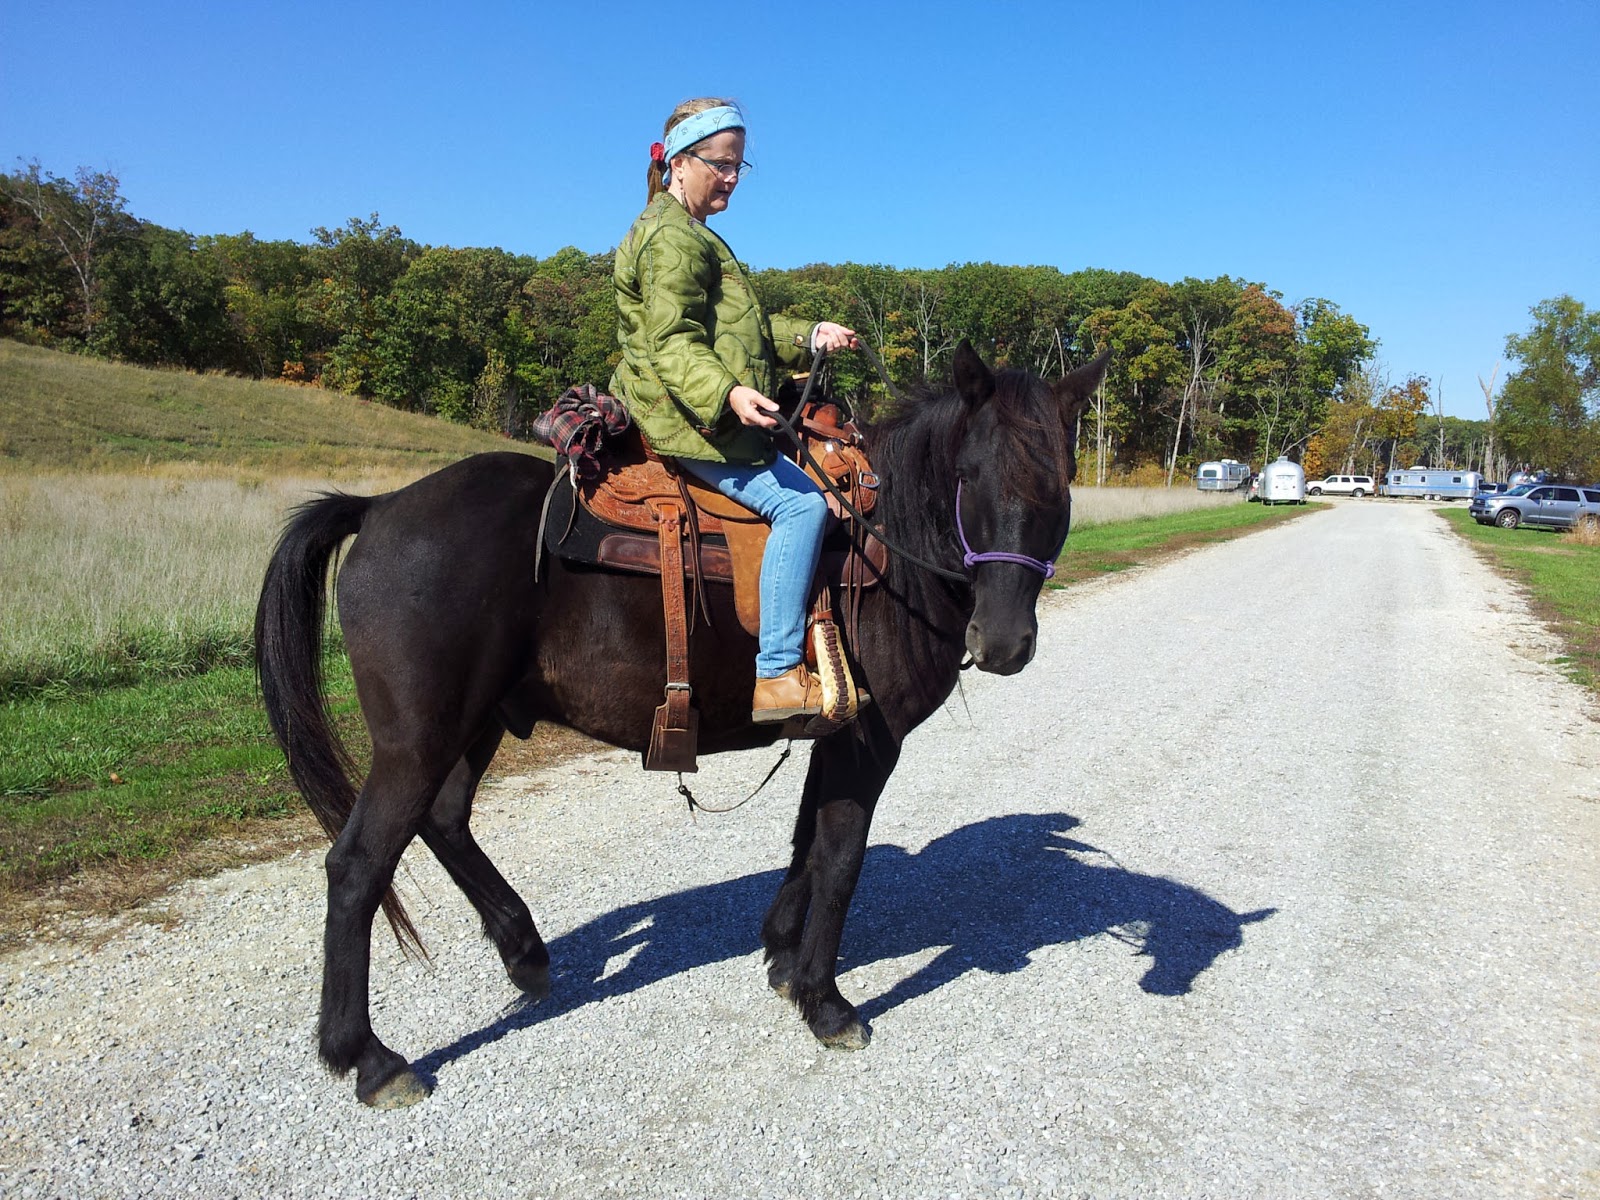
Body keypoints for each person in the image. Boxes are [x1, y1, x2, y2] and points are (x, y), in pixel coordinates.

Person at [610, 97, 858, 723]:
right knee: (802, 504)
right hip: (687, 420)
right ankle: (776, 672)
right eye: (721, 164)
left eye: (739, 167)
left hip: (700, 409)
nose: (730, 178)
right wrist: (724, 392)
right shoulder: (673, 239)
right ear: (679, 162)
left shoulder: (691, 234)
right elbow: (673, 341)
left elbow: (741, 331)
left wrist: (810, 333)